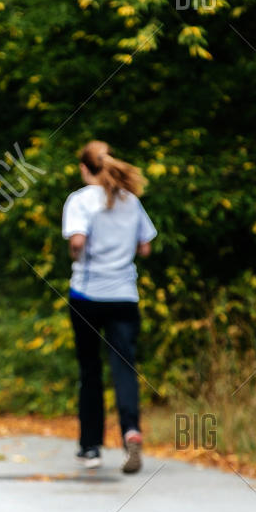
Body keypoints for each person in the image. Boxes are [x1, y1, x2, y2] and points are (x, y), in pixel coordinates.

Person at [61, 140, 157, 475]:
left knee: (90, 371)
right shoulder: (131, 200)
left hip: (87, 296)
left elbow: (76, 241)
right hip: (124, 296)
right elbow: (145, 246)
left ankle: (90, 447)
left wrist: (80, 254)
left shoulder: (80, 200)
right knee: (125, 367)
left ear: (85, 169)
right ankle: (131, 431)